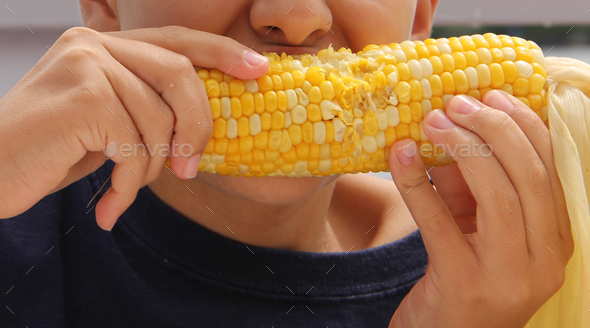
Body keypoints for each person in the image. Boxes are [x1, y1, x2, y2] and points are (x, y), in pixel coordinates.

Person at [0, 0, 574, 327]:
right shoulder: (14, 208)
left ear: (420, 11)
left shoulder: (521, 274)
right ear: (104, 2)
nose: (295, 18)